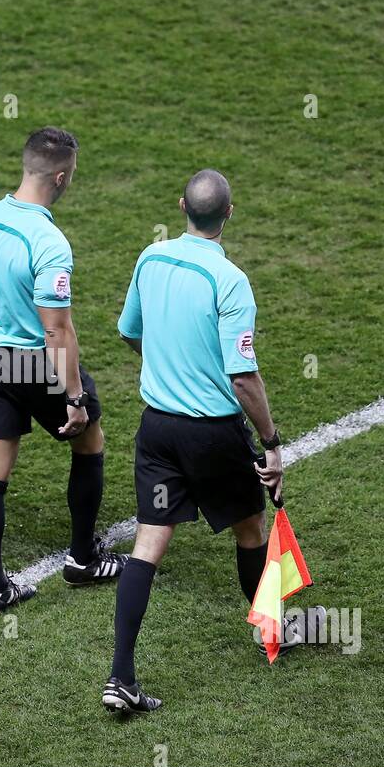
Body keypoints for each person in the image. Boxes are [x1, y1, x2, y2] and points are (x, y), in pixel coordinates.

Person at [103, 169, 322, 713]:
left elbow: (130, 331)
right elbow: (243, 377)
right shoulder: (230, 281)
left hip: (156, 432)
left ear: (181, 206)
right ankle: (274, 627)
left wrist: (169, 365)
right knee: (251, 531)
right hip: (213, 437)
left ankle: (120, 677)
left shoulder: (150, 258)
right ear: (230, 213)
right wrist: (270, 441)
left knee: (146, 547)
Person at [0, 127, 128, 616]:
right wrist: (73, 397)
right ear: (62, 176)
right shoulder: (50, 242)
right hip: (36, 363)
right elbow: (56, 331)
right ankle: (83, 559)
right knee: (89, 441)